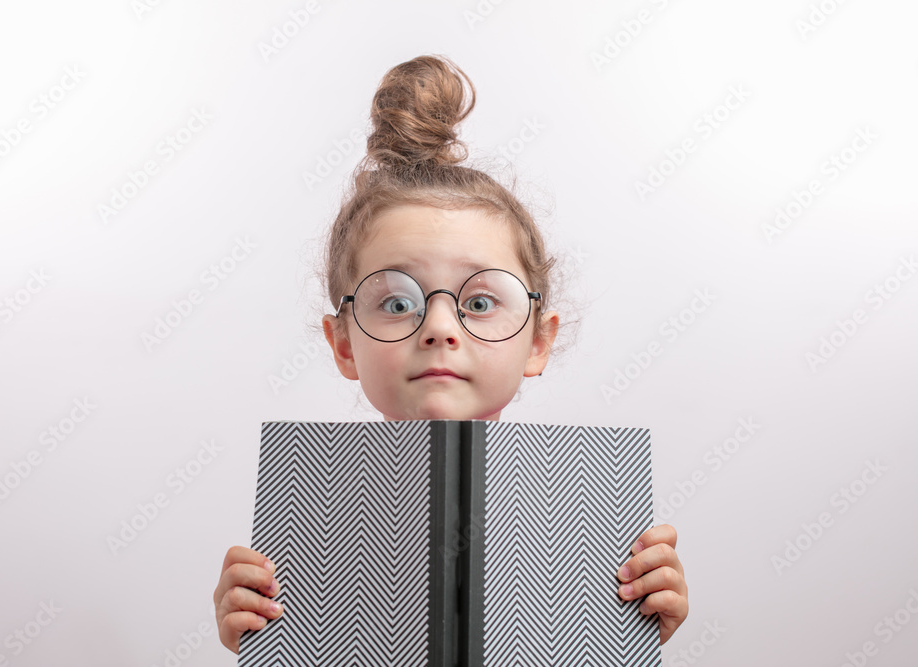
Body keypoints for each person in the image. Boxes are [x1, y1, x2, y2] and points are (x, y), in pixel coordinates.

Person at [214, 54, 688, 654]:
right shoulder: (307, 519)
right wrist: (256, 636)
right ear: (344, 345)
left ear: (538, 341)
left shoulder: (594, 517)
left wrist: (640, 627)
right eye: (397, 302)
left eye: (480, 302)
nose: (439, 327)